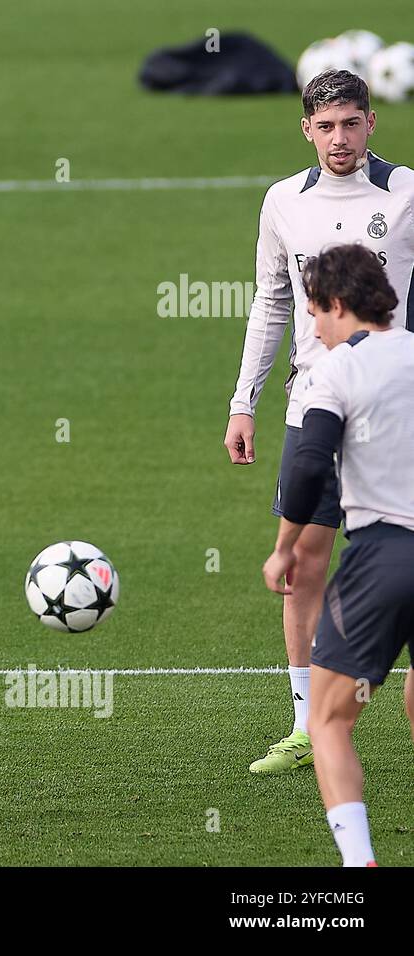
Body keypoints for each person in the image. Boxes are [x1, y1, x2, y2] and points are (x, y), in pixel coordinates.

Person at [225, 69, 414, 775]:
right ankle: (306, 722)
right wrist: (244, 401)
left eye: (351, 123)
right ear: (306, 129)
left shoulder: (405, 193)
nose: (339, 138)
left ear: (372, 123)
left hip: (397, 408)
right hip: (315, 406)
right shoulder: (282, 203)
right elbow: (270, 302)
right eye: (325, 126)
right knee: (303, 558)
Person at [261, 243, 414, 866]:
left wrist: (284, 548)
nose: (314, 327)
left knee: (328, 719)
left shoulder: (335, 371)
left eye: (316, 312)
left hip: (382, 555)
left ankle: (360, 863)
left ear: (340, 305)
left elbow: (306, 465)